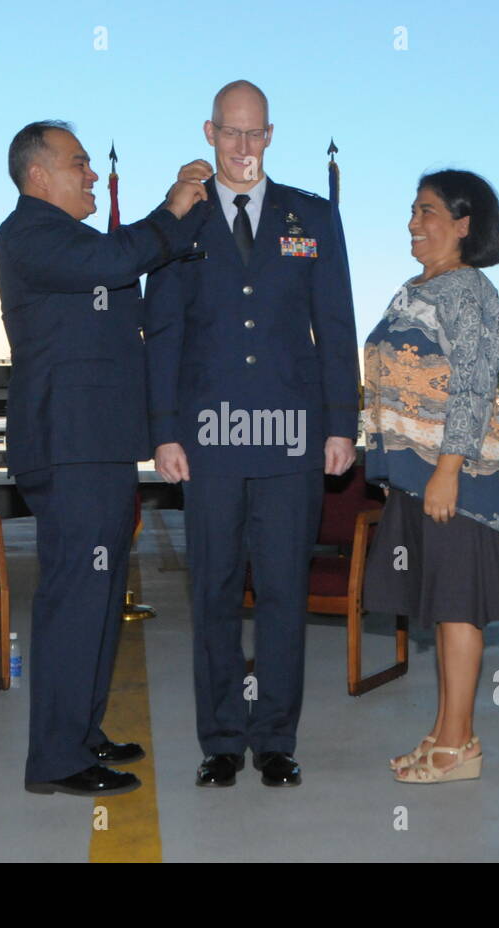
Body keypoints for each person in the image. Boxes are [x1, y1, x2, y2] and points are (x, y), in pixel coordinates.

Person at [144, 81, 359, 788]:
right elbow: (165, 330)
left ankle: (274, 737)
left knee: (280, 593)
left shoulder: (314, 216)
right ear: (209, 132)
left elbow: (335, 327)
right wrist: (165, 431)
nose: (241, 147)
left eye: (253, 133)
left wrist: (339, 425)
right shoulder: (185, 219)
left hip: (292, 439)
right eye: (229, 133)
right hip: (207, 442)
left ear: (270, 134)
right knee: (211, 591)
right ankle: (220, 738)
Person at [0, 120, 210, 796]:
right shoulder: (28, 233)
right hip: (70, 445)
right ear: (39, 174)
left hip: (100, 446)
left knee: (100, 597)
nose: (93, 175)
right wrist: (172, 211)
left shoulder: (71, 239)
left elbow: (123, 280)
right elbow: (117, 262)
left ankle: (80, 734)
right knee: (74, 601)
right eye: (80, 163)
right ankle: (55, 760)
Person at [361, 169, 499, 784]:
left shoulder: (469, 290)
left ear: (463, 224)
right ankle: (445, 732)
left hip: (451, 473)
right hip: (415, 472)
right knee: (440, 607)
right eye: (413, 210)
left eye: (428, 211)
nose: (413, 222)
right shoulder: (415, 289)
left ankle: (459, 747)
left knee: (458, 609)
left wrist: (448, 470)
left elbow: (474, 387)